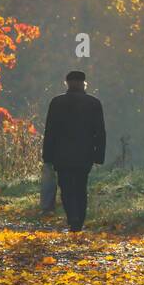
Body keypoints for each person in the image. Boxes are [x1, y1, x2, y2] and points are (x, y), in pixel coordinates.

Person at [41, 70, 105, 232]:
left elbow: (50, 131)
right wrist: (99, 155)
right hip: (85, 153)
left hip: (62, 154)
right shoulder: (93, 103)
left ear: (67, 83)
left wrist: (47, 155)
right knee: (80, 187)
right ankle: (79, 220)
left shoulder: (57, 102)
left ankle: (72, 217)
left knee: (66, 186)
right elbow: (100, 131)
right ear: (84, 83)